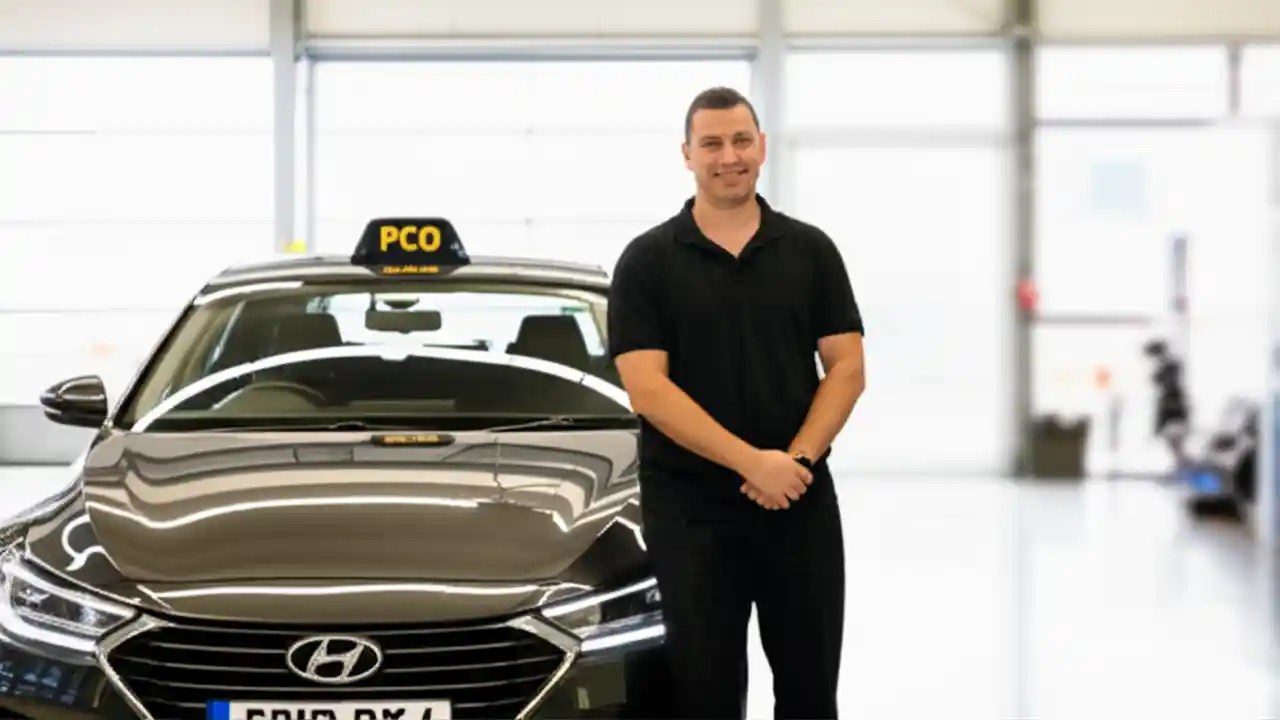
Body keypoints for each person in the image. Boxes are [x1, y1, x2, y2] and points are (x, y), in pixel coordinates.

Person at [607, 86, 867, 719]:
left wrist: (796, 461)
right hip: (690, 512)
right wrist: (754, 463)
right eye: (713, 144)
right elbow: (648, 389)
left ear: (763, 147)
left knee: (809, 691)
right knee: (706, 693)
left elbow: (847, 368)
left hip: (798, 502)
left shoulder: (810, 251)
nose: (730, 156)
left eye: (741, 140)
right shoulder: (646, 261)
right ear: (687, 155)